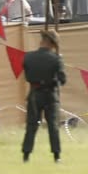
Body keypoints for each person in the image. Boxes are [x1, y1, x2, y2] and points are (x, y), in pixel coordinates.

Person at [19, 28, 69, 163]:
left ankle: (26, 154)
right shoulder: (56, 59)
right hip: (50, 95)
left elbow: (28, 75)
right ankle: (56, 155)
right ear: (52, 44)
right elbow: (62, 80)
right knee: (53, 126)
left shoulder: (28, 57)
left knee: (31, 125)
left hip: (34, 94)